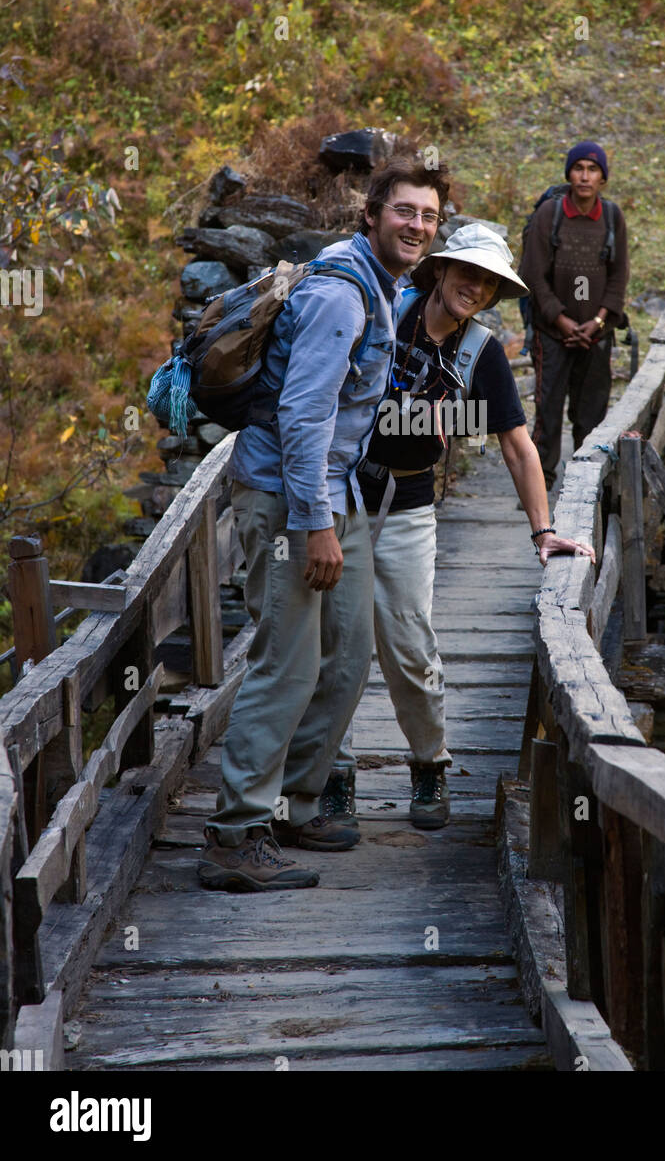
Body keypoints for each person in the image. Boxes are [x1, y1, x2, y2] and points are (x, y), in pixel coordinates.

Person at [197, 156, 449, 892]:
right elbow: (305, 416)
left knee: (346, 655)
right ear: (371, 214)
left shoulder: (384, 284)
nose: (418, 225)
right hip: (290, 500)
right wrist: (316, 525)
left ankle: (295, 802)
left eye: (429, 216)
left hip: (335, 495)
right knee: (289, 661)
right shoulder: (343, 294)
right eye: (404, 210)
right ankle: (234, 833)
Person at [320, 224, 595, 832]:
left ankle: (429, 766)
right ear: (439, 270)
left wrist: (542, 530)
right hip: (342, 498)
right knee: (339, 646)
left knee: (409, 642)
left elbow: (519, 447)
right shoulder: (382, 312)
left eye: (488, 281)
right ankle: (331, 775)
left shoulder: (480, 352)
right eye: (465, 272)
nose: (474, 286)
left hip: (411, 505)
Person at [519, 141, 629, 490]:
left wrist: (597, 321)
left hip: (596, 335)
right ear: (569, 174)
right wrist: (562, 320)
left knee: (591, 416)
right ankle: (540, 483)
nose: (584, 176)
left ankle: (586, 484)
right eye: (578, 168)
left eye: (592, 169)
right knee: (547, 412)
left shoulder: (612, 218)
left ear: (603, 178)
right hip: (552, 334)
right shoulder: (549, 216)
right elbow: (533, 274)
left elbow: (619, 275)